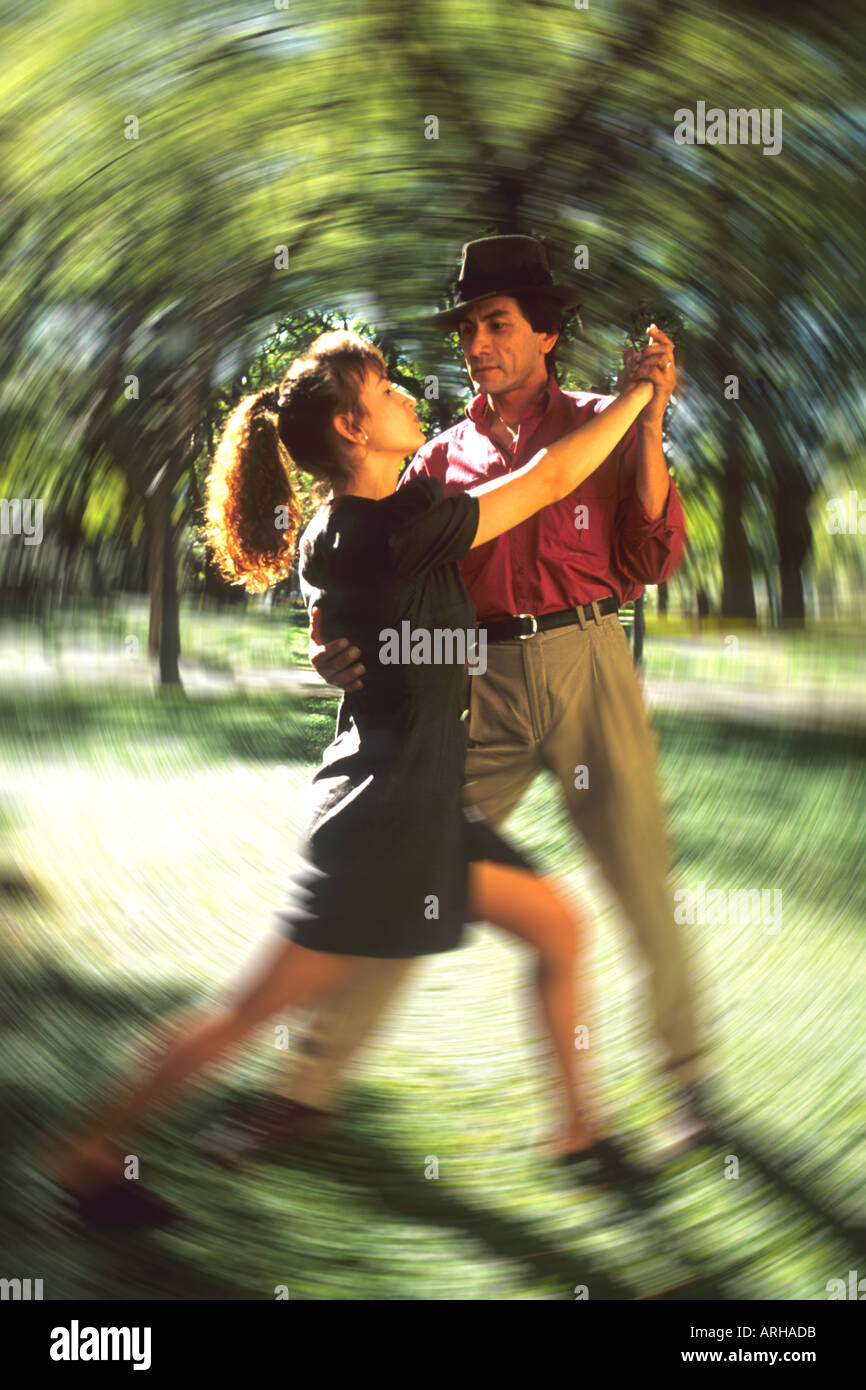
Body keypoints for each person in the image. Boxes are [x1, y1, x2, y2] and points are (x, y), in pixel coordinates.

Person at [42, 327, 656, 1228]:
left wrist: (338, 648)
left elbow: (343, 618)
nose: (411, 395)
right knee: (247, 1014)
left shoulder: (343, 526)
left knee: (560, 932)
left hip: (412, 802)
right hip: (382, 827)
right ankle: (90, 1151)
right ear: (352, 427)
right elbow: (552, 481)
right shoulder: (397, 527)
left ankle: (576, 1129)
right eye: (389, 390)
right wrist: (638, 401)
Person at [206, 235, 712, 1169]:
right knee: (413, 868)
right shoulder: (436, 460)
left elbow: (649, 556)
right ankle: (303, 1088)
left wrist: (647, 426)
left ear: (546, 332)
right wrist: (325, 639)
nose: (475, 343)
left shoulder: (604, 422)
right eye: (469, 327)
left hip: (592, 660)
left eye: (496, 324)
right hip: (472, 681)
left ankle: (688, 1088)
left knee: (641, 873)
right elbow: (358, 553)